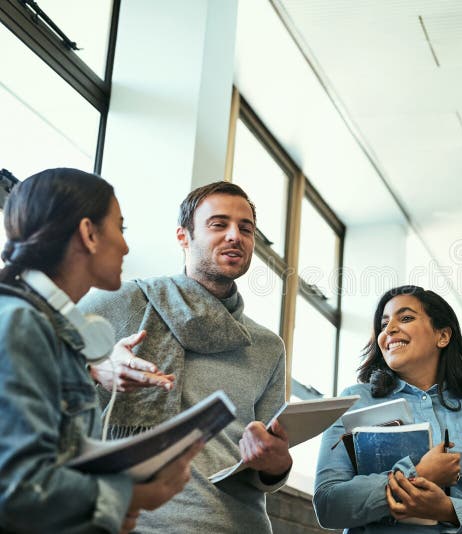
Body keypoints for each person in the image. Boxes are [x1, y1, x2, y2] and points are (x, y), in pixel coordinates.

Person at [78, 181, 292, 533]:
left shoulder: (268, 345)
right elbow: (30, 364)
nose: (235, 236)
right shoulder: (124, 303)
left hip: (239, 524)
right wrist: (95, 367)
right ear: (183, 237)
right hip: (136, 522)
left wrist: (277, 463)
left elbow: (268, 462)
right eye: (218, 224)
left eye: (246, 228)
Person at [0, 168, 200, 533]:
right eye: (119, 229)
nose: (125, 246)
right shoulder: (21, 324)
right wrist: (132, 494)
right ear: (89, 233)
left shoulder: (48, 330)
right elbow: (19, 492)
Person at [314, 285, 462, 533]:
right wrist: (417, 474)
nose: (390, 329)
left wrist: (447, 510)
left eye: (405, 318)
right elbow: (328, 505)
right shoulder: (354, 401)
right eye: (384, 324)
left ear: (443, 336)